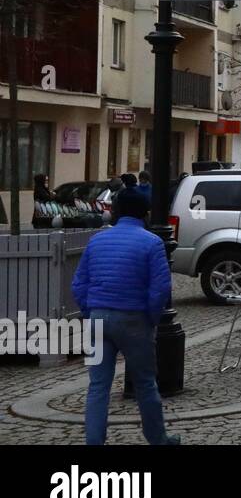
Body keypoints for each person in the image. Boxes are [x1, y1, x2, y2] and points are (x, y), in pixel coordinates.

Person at [72, 189, 178, 445]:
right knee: (145, 383)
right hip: (134, 319)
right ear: (145, 213)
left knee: (98, 387)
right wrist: (151, 318)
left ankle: (94, 442)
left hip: (98, 317)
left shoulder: (97, 240)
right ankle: (158, 438)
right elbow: (160, 288)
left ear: (117, 211)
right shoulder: (152, 242)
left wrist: (90, 311)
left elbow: (79, 284)